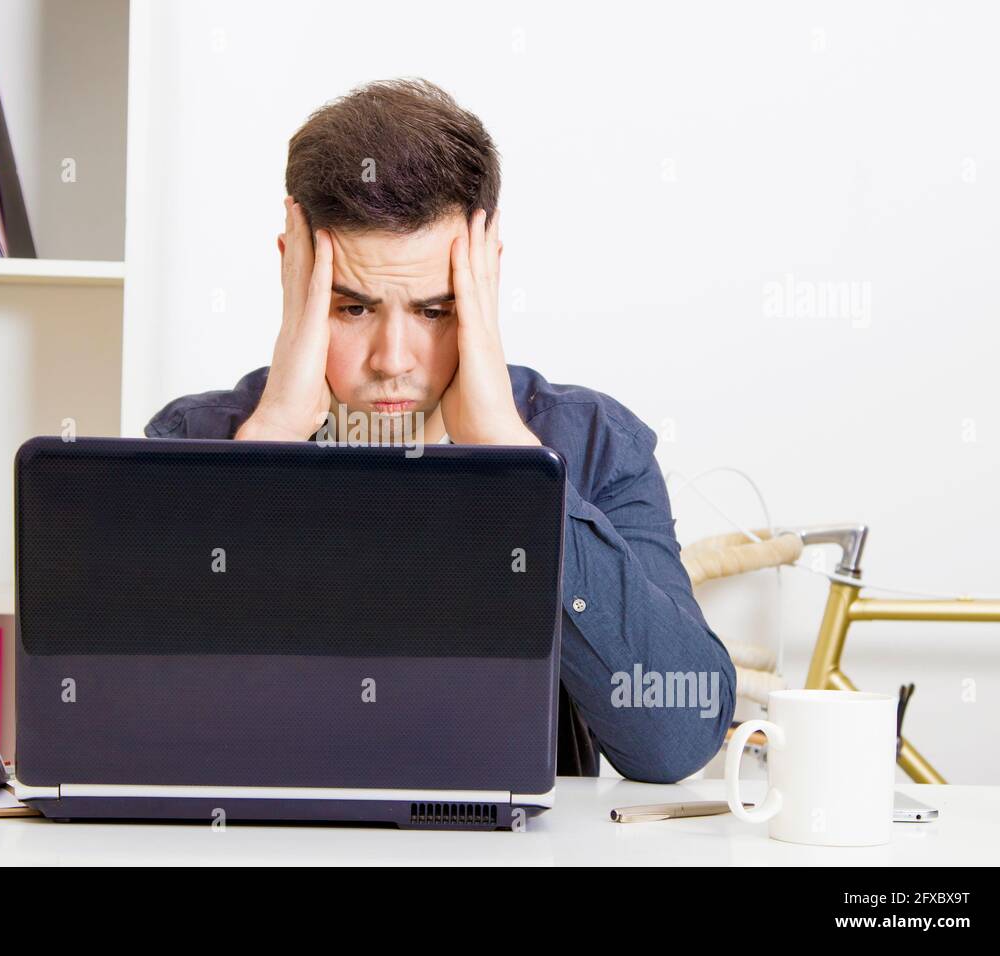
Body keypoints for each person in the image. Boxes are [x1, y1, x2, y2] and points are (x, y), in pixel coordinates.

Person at [146, 78, 736, 781]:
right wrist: (269, 448)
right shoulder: (197, 442)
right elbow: (138, 725)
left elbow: (677, 738)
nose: (393, 362)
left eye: (436, 311)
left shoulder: (594, 445)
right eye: (352, 308)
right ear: (292, 274)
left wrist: (515, 465)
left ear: (485, 282)